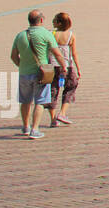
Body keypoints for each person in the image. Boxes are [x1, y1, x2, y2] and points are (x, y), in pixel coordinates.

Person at [11, 9, 67, 140]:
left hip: (24, 73)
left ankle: (25, 127)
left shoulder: (20, 35)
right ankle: (35, 129)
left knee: (25, 101)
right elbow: (57, 53)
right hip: (41, 73)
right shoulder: (46, 34)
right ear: (41, 20)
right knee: (40, 102)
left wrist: (21, 65)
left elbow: (13, 56)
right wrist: (64, 66)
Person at [45, 12, 80, 127]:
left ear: (59, 23)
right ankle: (62, 113)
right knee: (70, 87)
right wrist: (78, 68)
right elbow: (74, 54)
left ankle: (53, 119)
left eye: (54, 20)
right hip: (66, 66)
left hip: (51, 66)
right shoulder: (70, 35)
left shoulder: (50, 34)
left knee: (52, 91)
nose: (52, 21)